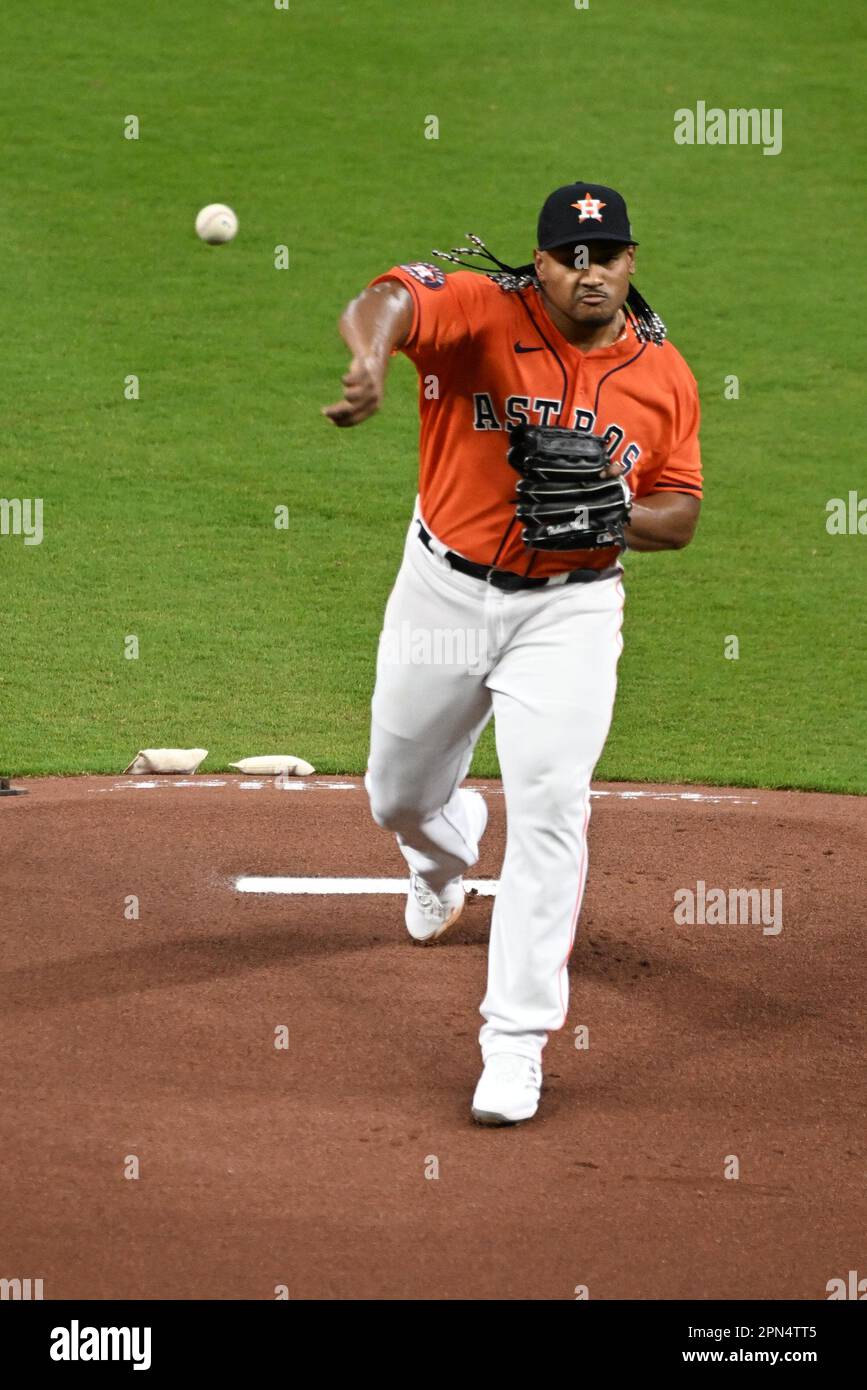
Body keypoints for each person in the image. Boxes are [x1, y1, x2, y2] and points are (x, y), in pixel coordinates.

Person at [323, 182, 702, 1125]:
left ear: (629, 262)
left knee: (551, 809)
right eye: (571, 256)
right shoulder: (479, 316)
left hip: (569, 612)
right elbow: (387, 298)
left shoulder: (665, 379)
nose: (589, 271)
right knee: (395, 793)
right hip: (443, 589)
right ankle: (442, 854)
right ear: (539, 264)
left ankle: (515, 1042)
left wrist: (614, 512)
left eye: (606, 254)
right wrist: (371, 357)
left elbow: (682, 513)